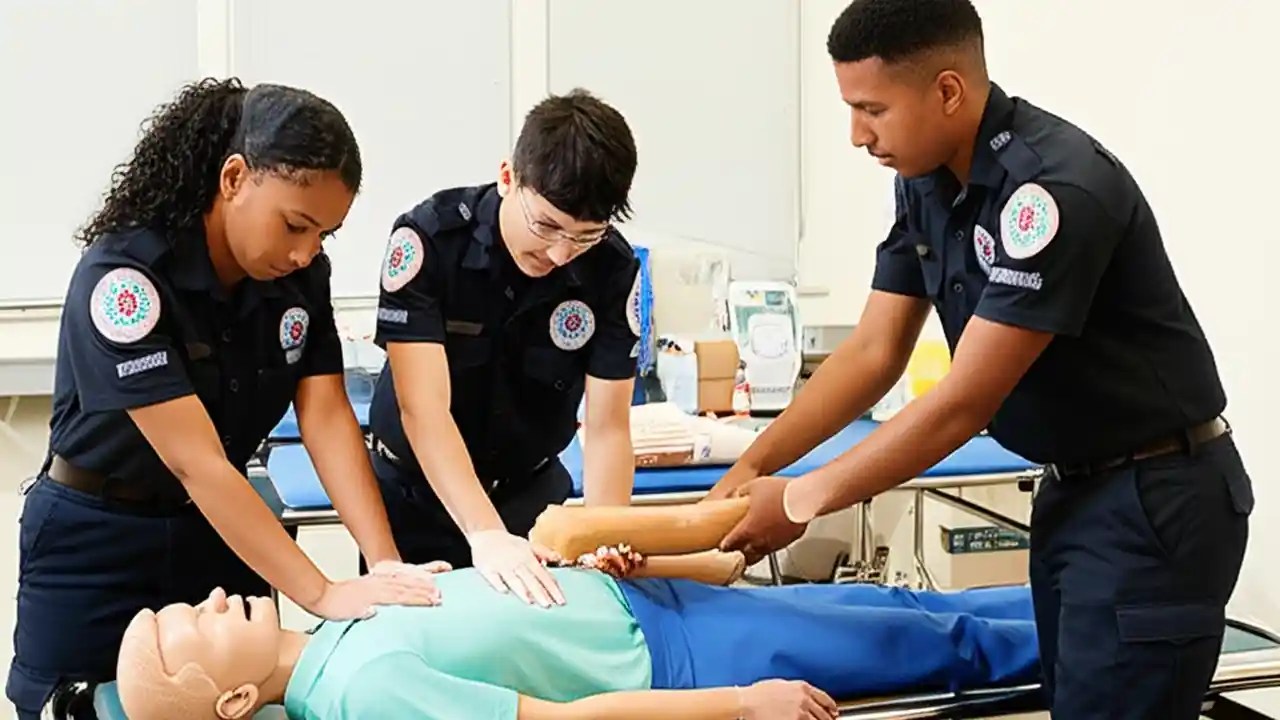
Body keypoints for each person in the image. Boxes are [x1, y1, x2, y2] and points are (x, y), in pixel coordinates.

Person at [705, 1, 1254, 718]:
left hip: (1154, 495)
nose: (857, 135)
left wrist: (801, 501)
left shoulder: (1051, 192)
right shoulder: (926, 181)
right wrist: (750, 469)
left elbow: (966, 402)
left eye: (872, 110)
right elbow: (873, 352)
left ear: (947, 91)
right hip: (1074, 491)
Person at [7, 77, 443, 720]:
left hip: (221, 532)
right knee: (78, 708)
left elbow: (325, 415)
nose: (305, 252)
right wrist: (321, 593)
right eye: (294, 225)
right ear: (234, 178)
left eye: (324, 235)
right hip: (99, 537)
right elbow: (198, 464)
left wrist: (384, 564)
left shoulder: (298, 276)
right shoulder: (126, 279)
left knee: (241, 703)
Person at [113, 557, 1039, 719]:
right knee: (943, 645)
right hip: (684, 664)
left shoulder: (337, 622)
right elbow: (565, 719)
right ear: (235, 701)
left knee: (906, 609)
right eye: (192, 628)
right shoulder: (361, 694)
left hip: (647, 603)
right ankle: (1109, 639)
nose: (209, 599)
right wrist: (739, 705)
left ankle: (1088, 601)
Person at [367, 88, 643, 607]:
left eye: (584, 236)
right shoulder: (430, 239)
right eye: (546, 226)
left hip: (528, 497)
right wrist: (486, 534)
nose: (560, 253)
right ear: (508, 177)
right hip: (416, 499)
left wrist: (604, 538)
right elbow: (423, 411)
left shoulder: (613, 269)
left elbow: (608, 426)